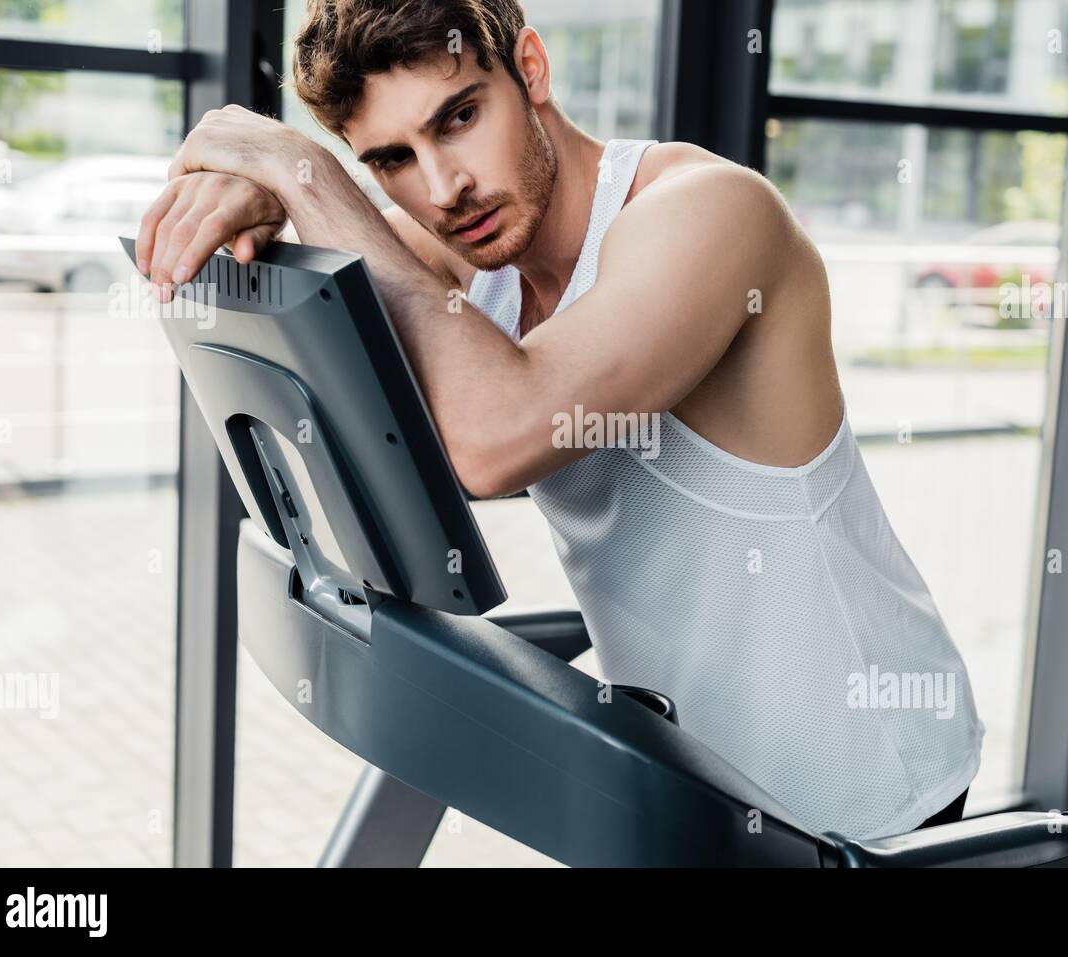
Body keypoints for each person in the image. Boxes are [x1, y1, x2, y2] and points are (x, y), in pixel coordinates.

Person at [135, 0, 984, 841]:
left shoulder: (712, 213)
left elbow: (498, 434)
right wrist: (257, 189)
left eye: (461, 117)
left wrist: (299, 168)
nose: (443, 187)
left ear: (531, 68)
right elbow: (338, 285)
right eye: (391, 159)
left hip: (865, 798)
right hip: (690, 794)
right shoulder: (465, 249)